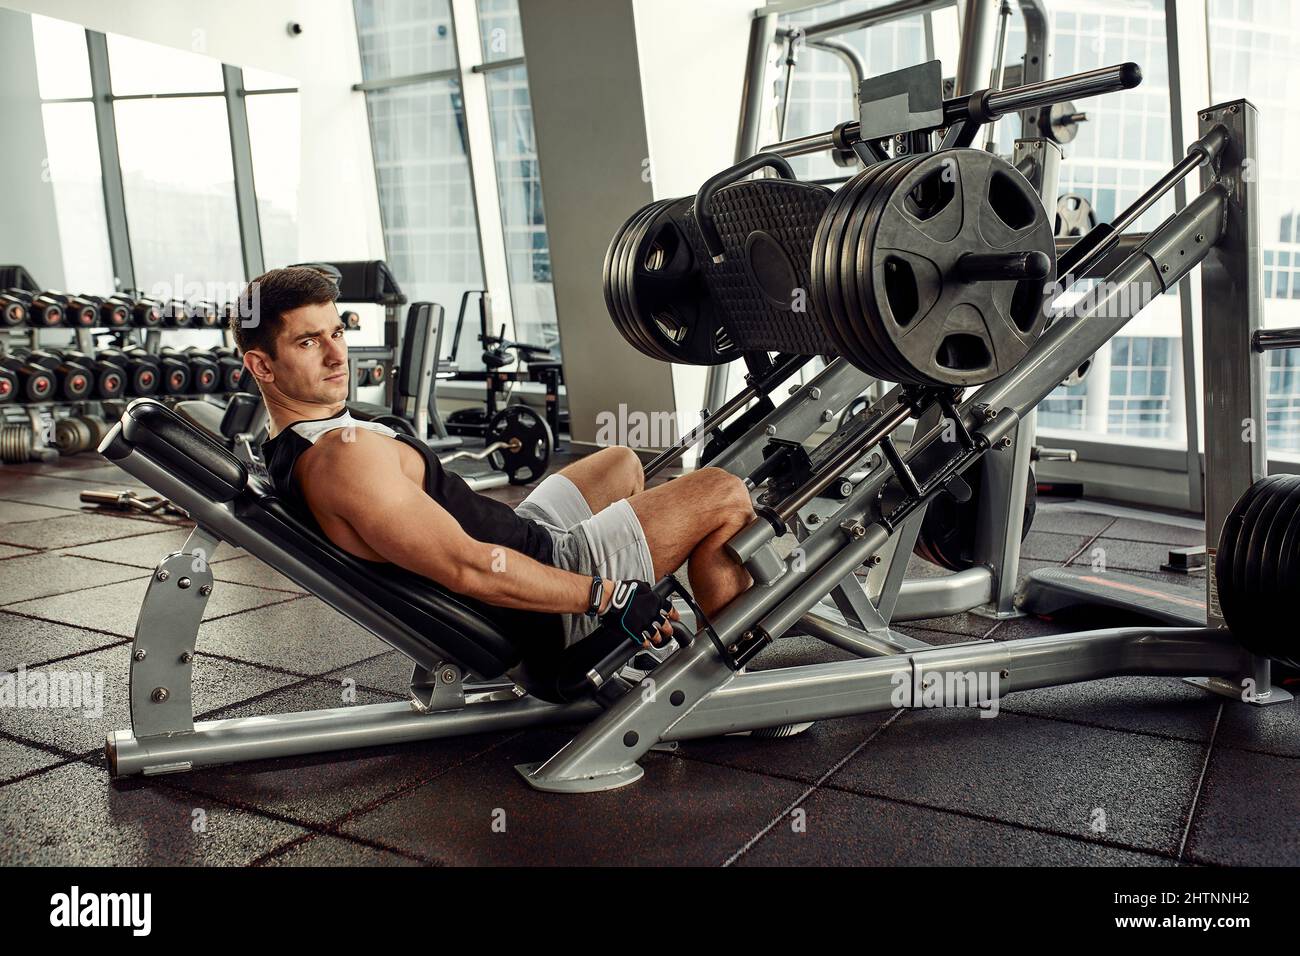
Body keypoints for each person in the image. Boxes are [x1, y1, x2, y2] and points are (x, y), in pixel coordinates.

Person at [235, 267, 755, 656]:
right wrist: (609, 596)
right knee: (724, 493)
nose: (336, 355)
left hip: (525, 533)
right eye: (308, 342)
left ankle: (632, 622)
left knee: (620, 461)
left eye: (338, 333)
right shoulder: (344, 460)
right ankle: (726, 684)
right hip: (542, 587)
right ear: (261, 365)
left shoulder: (296, 440)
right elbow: (467, 568)